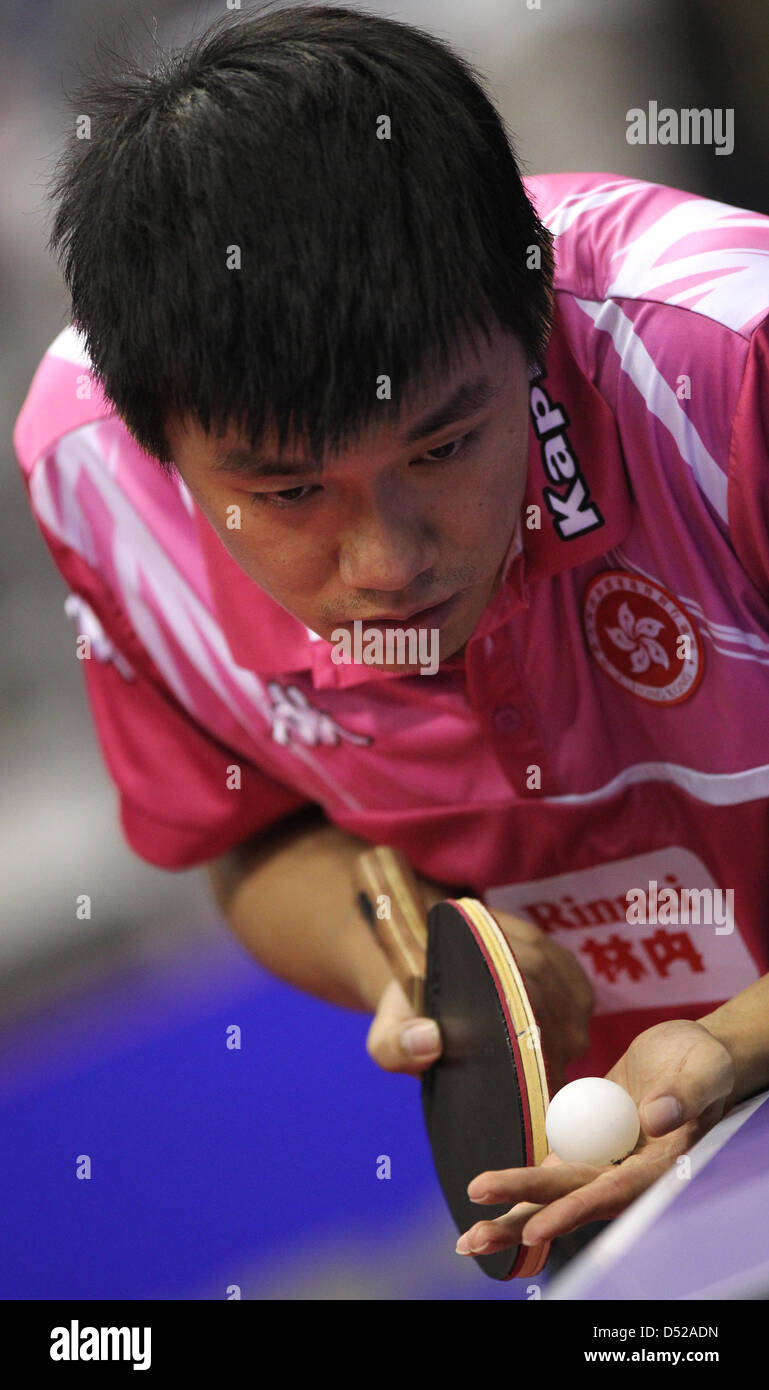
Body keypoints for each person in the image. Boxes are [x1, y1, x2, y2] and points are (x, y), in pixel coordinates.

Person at [14, 5, 769, 1264]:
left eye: (444, 446)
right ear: (162, 449)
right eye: (292, 491)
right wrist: (402, 952)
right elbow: (256, 840)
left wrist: (735, 1043)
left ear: (531, 326)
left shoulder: (727, 363)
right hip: (635, 1181)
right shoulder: (94, 480)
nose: (390, 563)